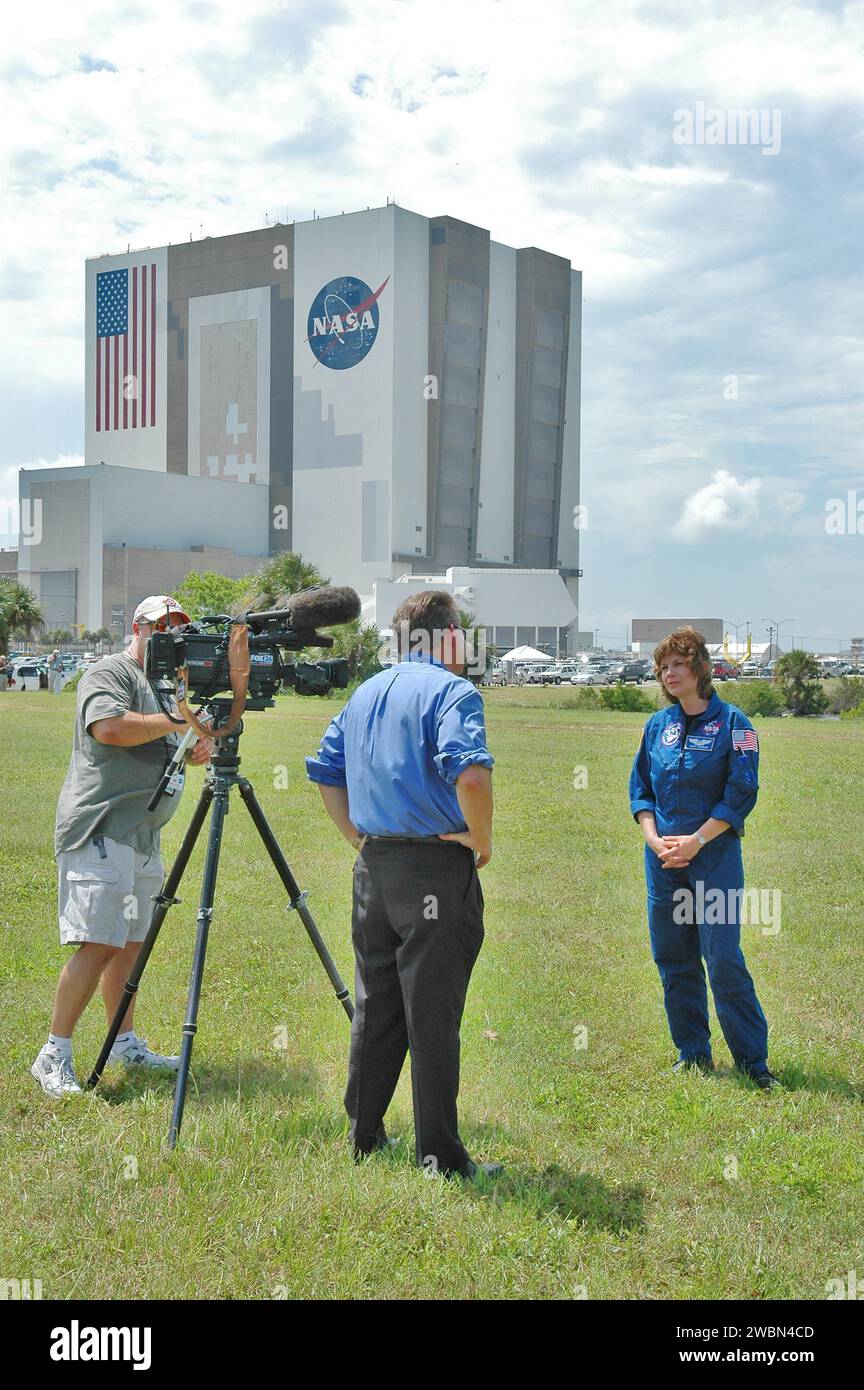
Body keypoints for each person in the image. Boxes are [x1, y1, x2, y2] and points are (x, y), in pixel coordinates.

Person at [305, 589, 502, 1181]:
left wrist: (357, 839)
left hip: (376, 869)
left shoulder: (365, 691)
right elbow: (468, 772)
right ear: (445, 636)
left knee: (378, 1003)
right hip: (435, 869)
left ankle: (364, 1135)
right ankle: (440, 1155)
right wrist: (482, 839)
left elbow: (325, 770)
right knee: (433, 1015)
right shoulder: (452, 691)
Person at [31, 595, 215, 1098]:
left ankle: (122, 1041)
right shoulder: (112, 672)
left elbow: (180, 743)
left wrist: (200, 744)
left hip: (142, 837)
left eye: (178, 628)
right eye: (159, 626)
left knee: (130, 945)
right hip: (102, 829)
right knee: (99, 943)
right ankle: (54, 1052)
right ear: (136, 628)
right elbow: (109, 727)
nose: (169, 636)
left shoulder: (169, 685)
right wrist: (179, 723)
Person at [629, 626, 780, 1089]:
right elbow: (642, 791)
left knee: (721, 958)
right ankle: (692, 1053)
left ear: (700, 669)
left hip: (713, 861)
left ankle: (753, 1064)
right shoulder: (658, 726)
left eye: (678, 664)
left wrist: (696, 840)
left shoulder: (735, 724)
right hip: (663, 863)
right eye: (663, 667)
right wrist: (655, 840)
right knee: (673, 958)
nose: (669, 673)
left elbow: (742, 791)